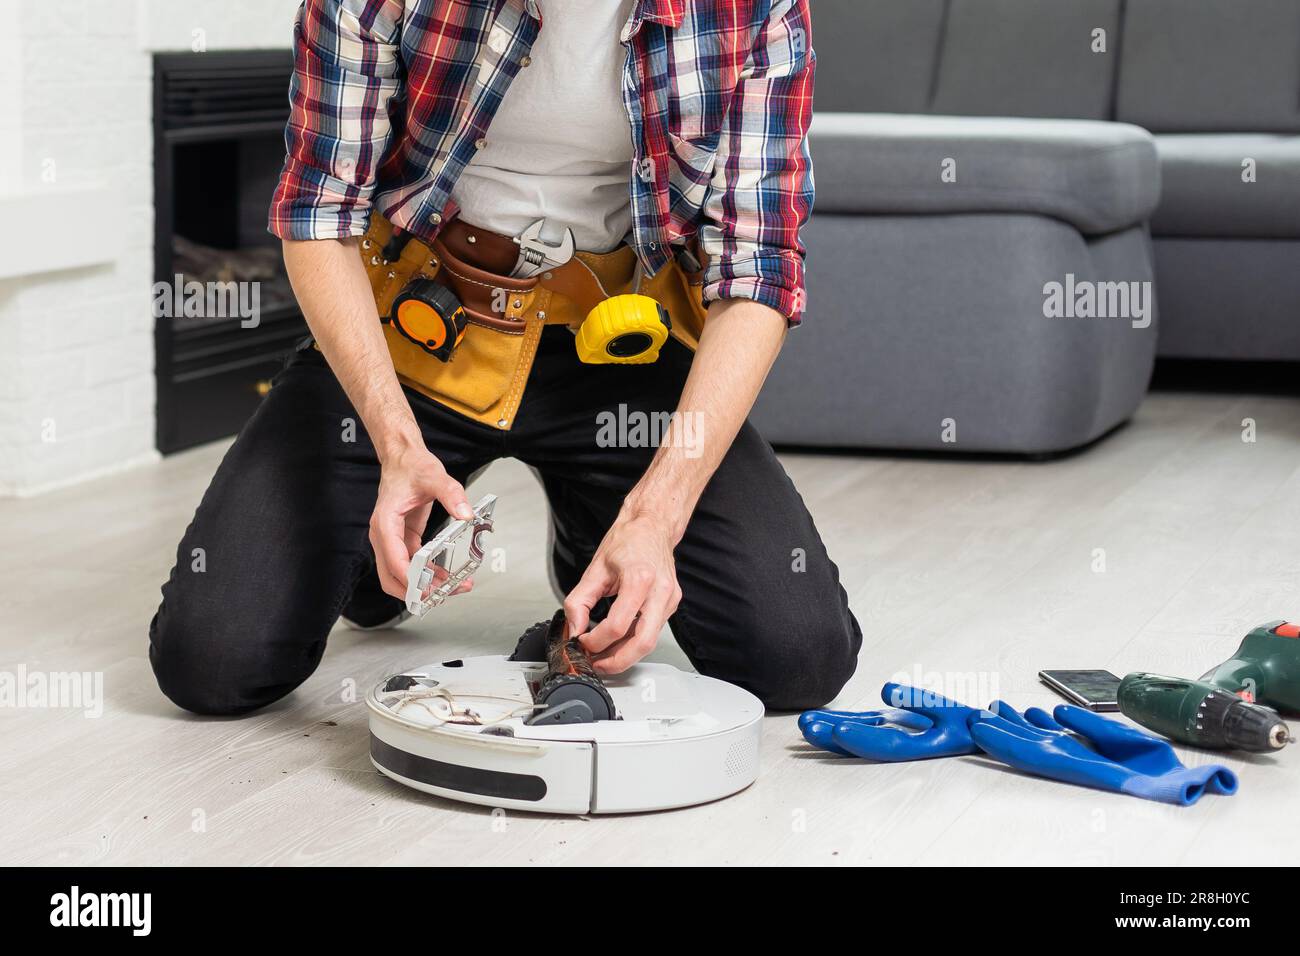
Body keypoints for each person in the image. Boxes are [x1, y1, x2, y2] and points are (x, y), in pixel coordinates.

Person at [148, 0, 861, 715]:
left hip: (621, 353)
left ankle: (597, 522)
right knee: (212, 663)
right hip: (414, 337)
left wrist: (657, 511)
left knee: (798, 657)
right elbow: (317, 216)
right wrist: (395, 445)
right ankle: (383, 543)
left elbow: (757, 269)